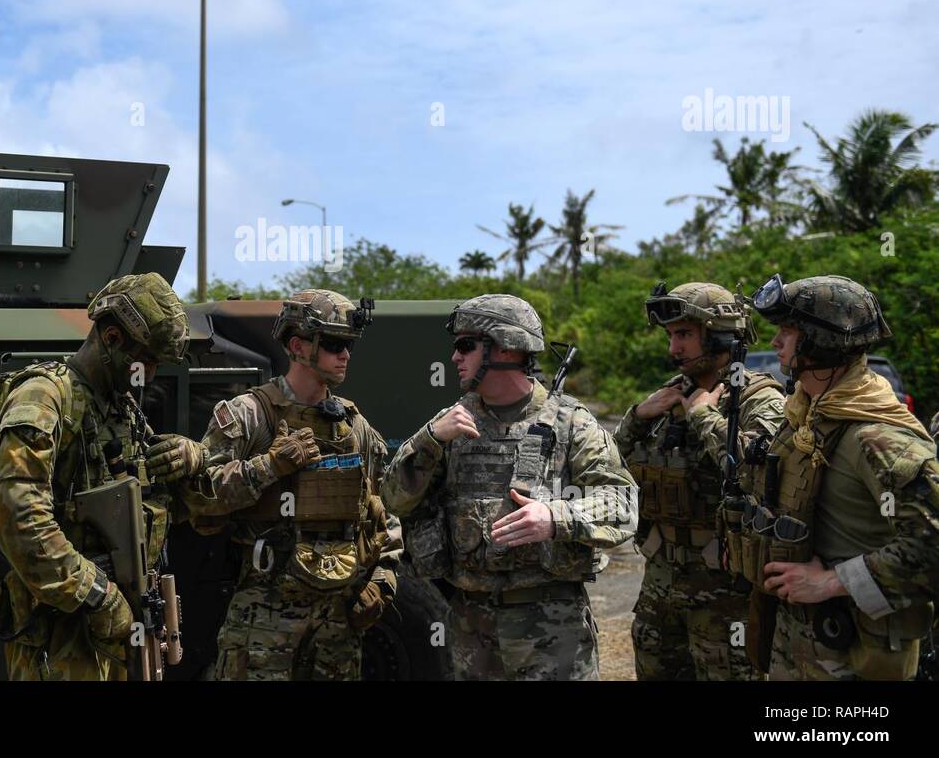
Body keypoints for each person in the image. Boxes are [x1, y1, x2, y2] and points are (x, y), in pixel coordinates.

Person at [382, 293, 636, 680]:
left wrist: (555, 516)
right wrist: (429, 440)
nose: (454, 358)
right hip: (470, 625)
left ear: (505, 348)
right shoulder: (450, 423)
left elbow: (622, 504)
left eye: (465, 346)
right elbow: (394, 498)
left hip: (551, 624)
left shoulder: (571, 423)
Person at [0, 272, 205, 680]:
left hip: (107, 628)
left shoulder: (120, 409)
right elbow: (19, 519)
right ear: (112, 338)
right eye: (146, 360)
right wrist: (100, 596)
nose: (150, 375)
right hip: (56, 631)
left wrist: (193, 457)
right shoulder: (45, 397)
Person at [180, 289, 398, 680]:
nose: (345, 355)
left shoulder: (354, 427)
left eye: (348, 345)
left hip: (336, 621)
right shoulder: (248, 415)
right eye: (334, 344)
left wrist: (383, 581)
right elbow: (201, 498)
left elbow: (384, 514)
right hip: (264, 613)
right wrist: (270, 466)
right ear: (297, 345)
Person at [738, 274, 939, 680]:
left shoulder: (875, 437)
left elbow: (932, 542)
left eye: (788, 330)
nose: (776, 342)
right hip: (800, 642)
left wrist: (832, 582)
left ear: (818, 340)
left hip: (854, 652)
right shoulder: (807, 417)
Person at [615, 282, 784, 680]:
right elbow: (607, 468)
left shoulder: (761, 402)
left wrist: (706, 417)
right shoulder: (669, 399)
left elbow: (759, 479)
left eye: (685, 335)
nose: (674, 348)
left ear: (721, 335)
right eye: (671, 335)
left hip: (725, 593)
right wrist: (637, 417)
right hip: (661, 583)